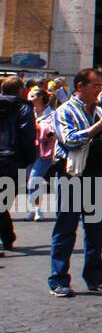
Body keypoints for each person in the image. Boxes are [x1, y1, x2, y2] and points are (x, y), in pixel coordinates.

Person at [49, 68, 102, 297]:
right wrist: (100, 125)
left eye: (101, 85)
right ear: (80, 86)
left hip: (96, 174)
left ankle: (95, 276)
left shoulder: (98, 110)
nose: (100, 90)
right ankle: (58, 279)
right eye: (95, 85)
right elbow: (70, 141)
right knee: (66, 228)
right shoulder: (64, 111)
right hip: (72, 175)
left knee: (96, 228)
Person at [0, 76, 36, 253]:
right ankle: (8, 237)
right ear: (21, 90)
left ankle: (7, 237)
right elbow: (28, 136)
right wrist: (29, 159)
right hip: (14, 161)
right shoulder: (24, 108)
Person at [24, 86, 57, 222]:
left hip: (45, 152)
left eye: (33, 96)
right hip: (30, 151)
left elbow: (52, 133)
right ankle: (33, 209)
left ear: (41, 99)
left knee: (34, 179)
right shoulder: (29, 113)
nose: (29, 98)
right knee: (29, 181)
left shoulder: (52, 114)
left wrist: (39, 128)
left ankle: (37, 210)